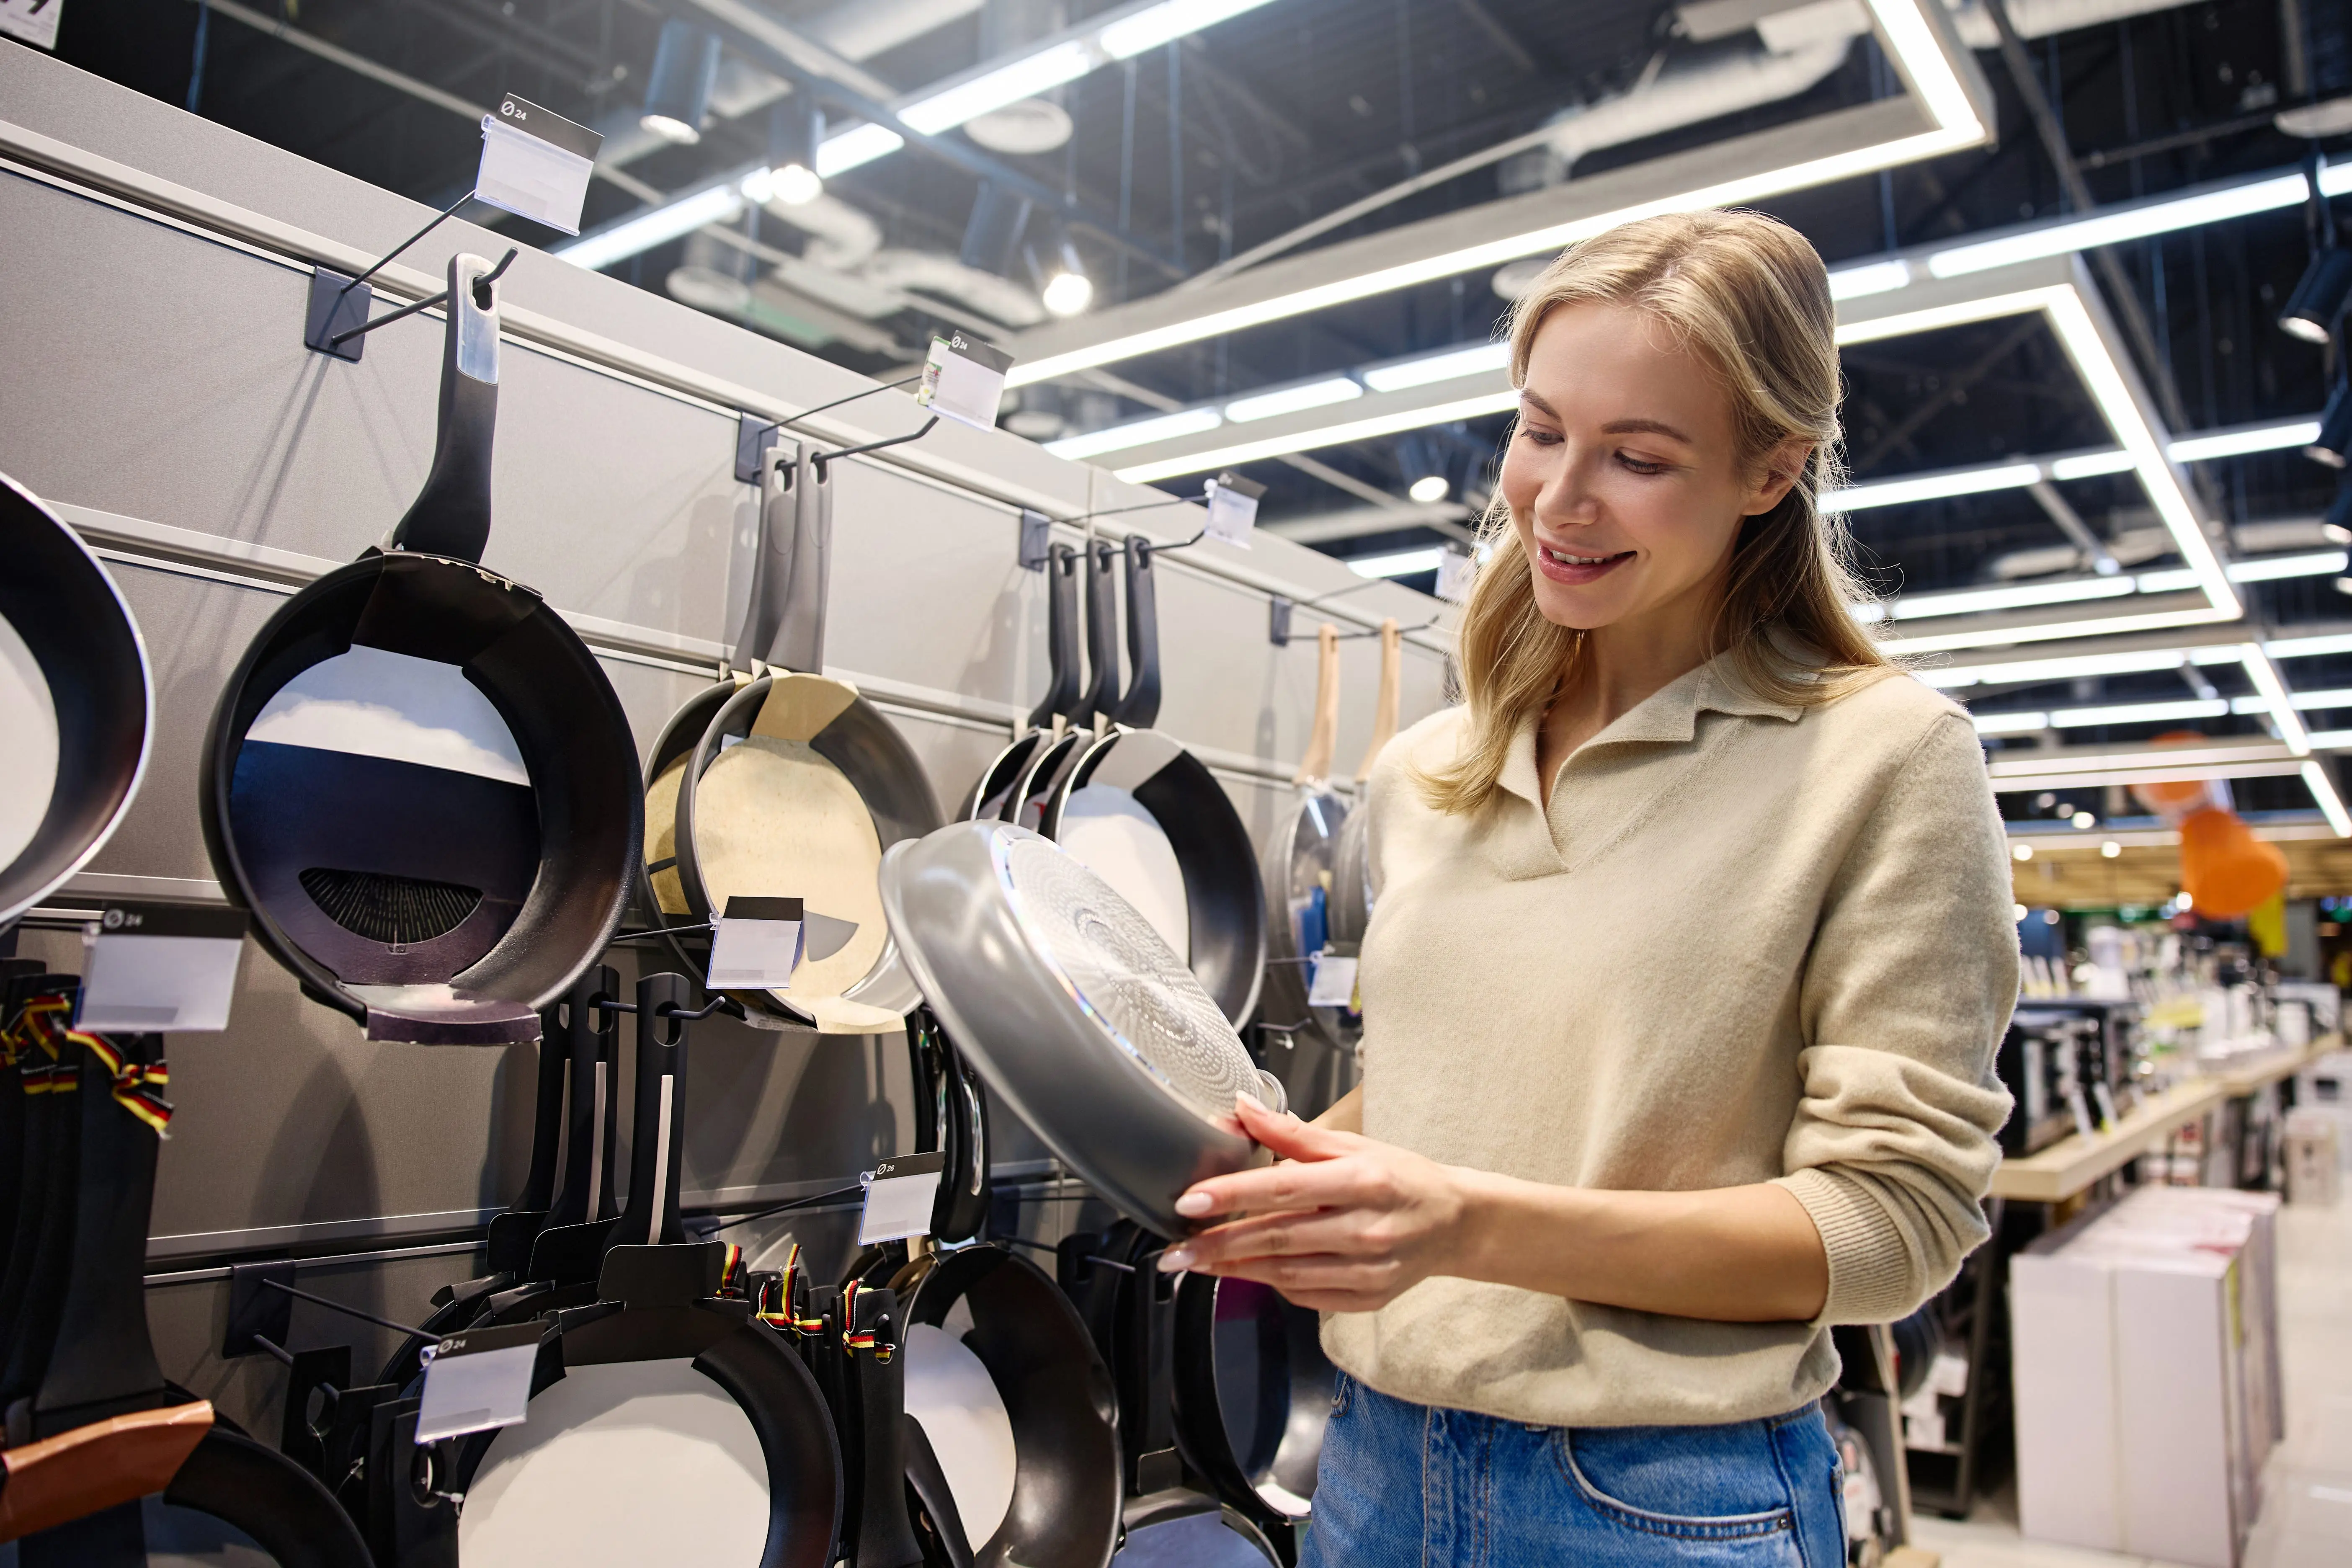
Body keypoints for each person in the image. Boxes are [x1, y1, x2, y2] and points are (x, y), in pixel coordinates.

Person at [1166, 210, 2017, 1565]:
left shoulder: (1882, 758)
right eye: (1541, 430)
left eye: (1639, 457)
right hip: (1372, 1466)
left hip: (1664, 1500)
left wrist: (1468, 1227)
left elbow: (1892, 1224)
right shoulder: (1426, 772)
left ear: (1772, 470)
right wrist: (1285, 1168)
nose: (1561, 500)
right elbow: (1454, 1084)